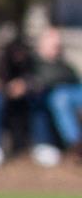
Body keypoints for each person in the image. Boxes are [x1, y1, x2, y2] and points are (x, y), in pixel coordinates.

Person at [0, 31, 54, 169]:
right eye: (16, 53)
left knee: (38, 101)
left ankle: (43, 145)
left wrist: (26, 85)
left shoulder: (33, 63)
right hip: (0, 97)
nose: (19, 56)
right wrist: (7, 88)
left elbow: (41, 81)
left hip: (26, 100)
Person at [30, 26, 77, 167]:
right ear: (42, 43)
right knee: (60, 99)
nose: (57, 46)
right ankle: (76, 144)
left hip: (74, 91)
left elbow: (73, 77)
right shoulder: (35, 62)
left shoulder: (62, 62)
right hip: (55, 96)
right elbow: (45, 80)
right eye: (53, 42)